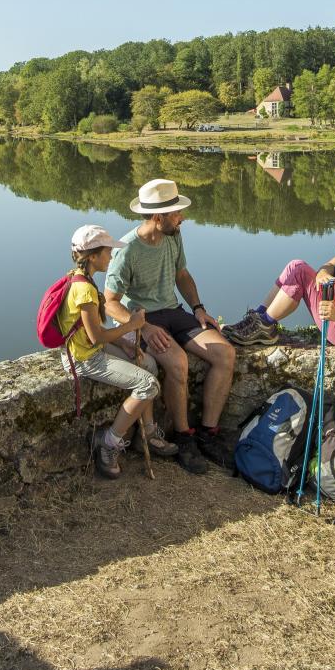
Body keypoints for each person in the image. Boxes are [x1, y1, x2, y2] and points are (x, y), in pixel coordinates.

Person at [104, 179, 237, 474]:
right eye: (176, 213)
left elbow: (182, 275)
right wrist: (145, 327)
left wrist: (198, 308)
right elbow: (110, 303)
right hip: (142, 320)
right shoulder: (127, 250)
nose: (182, 218)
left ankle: (207, 433)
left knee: (225, 354)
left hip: (173, 311)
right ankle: (184, 437)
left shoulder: (173, 235)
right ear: (158, 216)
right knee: (177, 364)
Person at [57, 224, 179, 480]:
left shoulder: (79, 279)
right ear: (92, 256)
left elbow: (92, 329)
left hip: (90, 348)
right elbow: (97, 336)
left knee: (148, 364)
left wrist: (125, 344)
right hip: (84, 359)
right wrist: (132, 326)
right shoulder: (84, 290)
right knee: (148, 385)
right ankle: (108, 442)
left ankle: (147, 432)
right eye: (106, 252)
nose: (111, 257)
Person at [224, 188, 335, 349]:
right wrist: (322, 273)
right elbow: (328, 265)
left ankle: (265, 325)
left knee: (300, 270)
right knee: (295, 265)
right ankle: (259, 318)